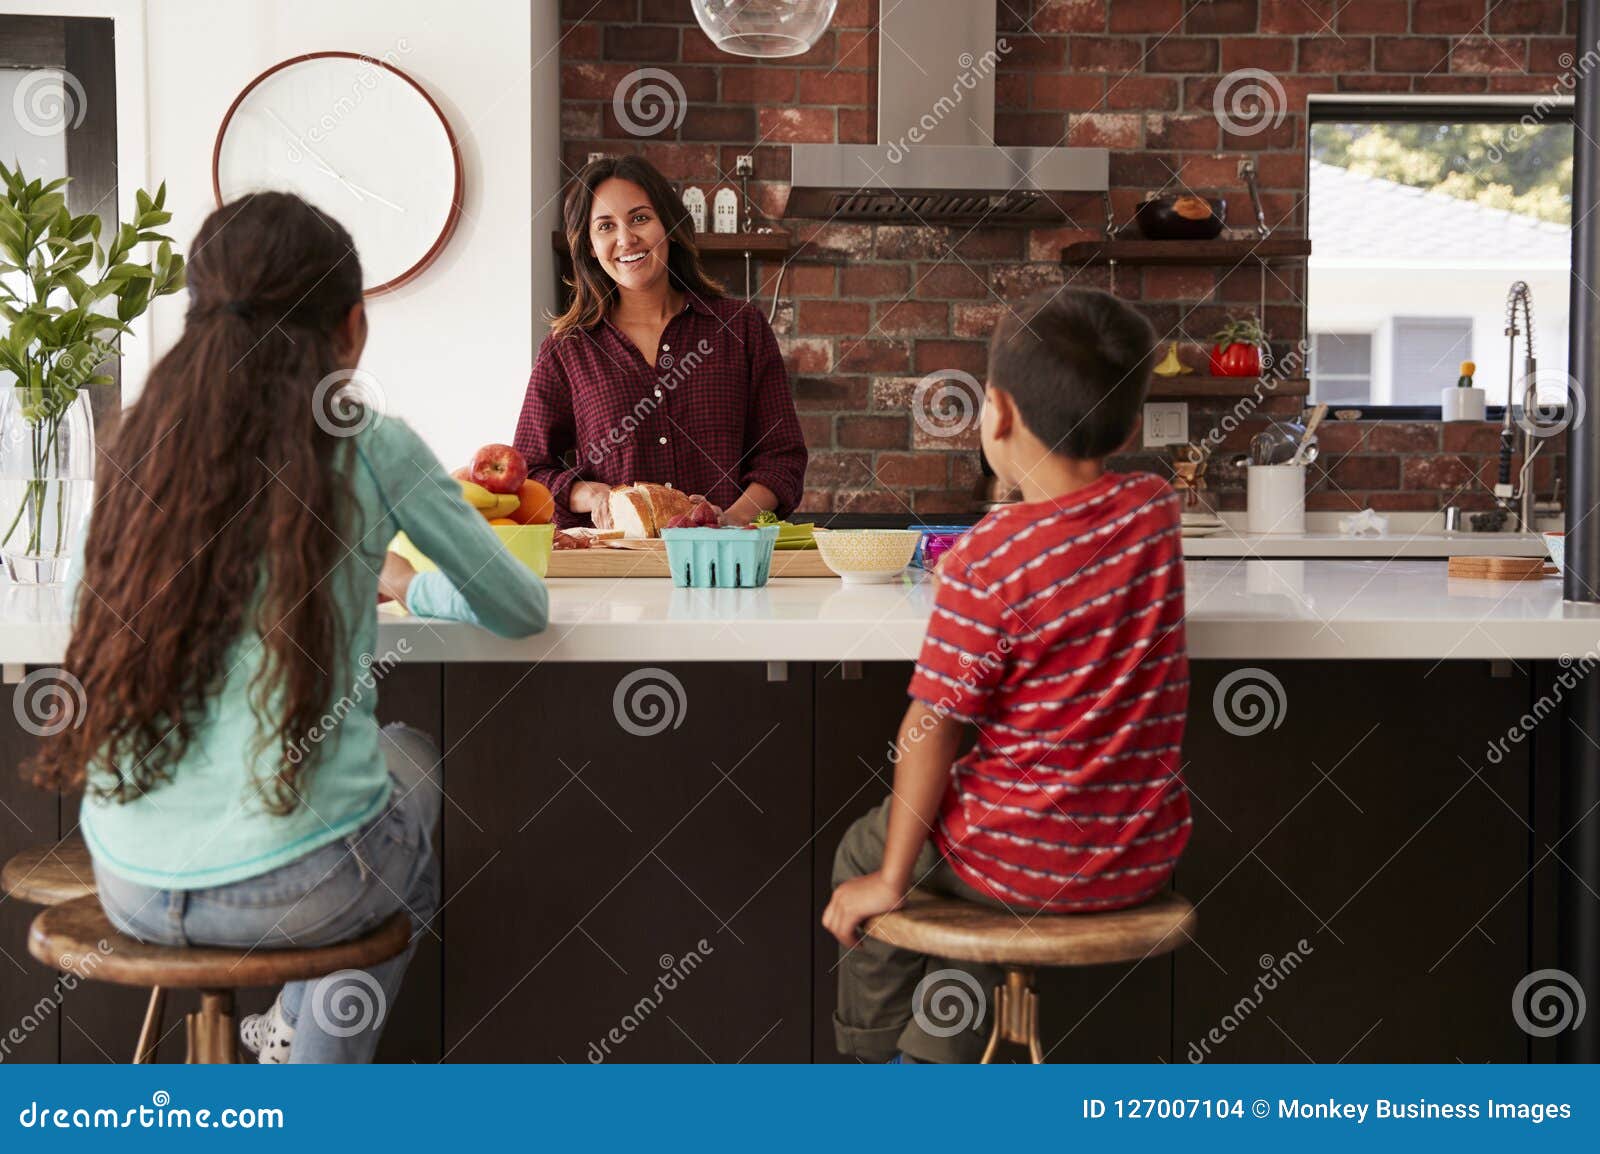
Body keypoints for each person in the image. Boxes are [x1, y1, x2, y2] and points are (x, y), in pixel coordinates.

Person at [30, 192, 549, 1063]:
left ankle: (287, 1047)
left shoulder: (136, 449)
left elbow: (80, 613)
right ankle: (308, 1077)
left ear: (199, 318)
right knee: (413, 762)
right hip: (302, 894)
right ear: (351, 328)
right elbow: (519, 607)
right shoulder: (372, 444)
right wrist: (405, 585)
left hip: (131, 887)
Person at [821, 288, 1191, 1064]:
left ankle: (879, 1065)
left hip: (1021, 863)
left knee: (870, 851)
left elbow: (931, 727)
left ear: (995, 413)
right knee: (974, 860)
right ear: (1129, 427)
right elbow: (1071, 528)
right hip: (1140, 856)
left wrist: (890, 879)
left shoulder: (985, 563)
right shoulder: (1154, 512)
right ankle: (937, 1052)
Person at [514, 154, 807, 529]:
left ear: (669, 225)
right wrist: (592, 495)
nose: (626, 239)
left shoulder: (741, 328)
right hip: (617, 562)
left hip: (725, 557)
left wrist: (729, 520)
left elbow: (782, 456)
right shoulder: (567, 349)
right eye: (605, 226)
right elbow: (529, 470)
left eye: (640, 218)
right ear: (589, 245)